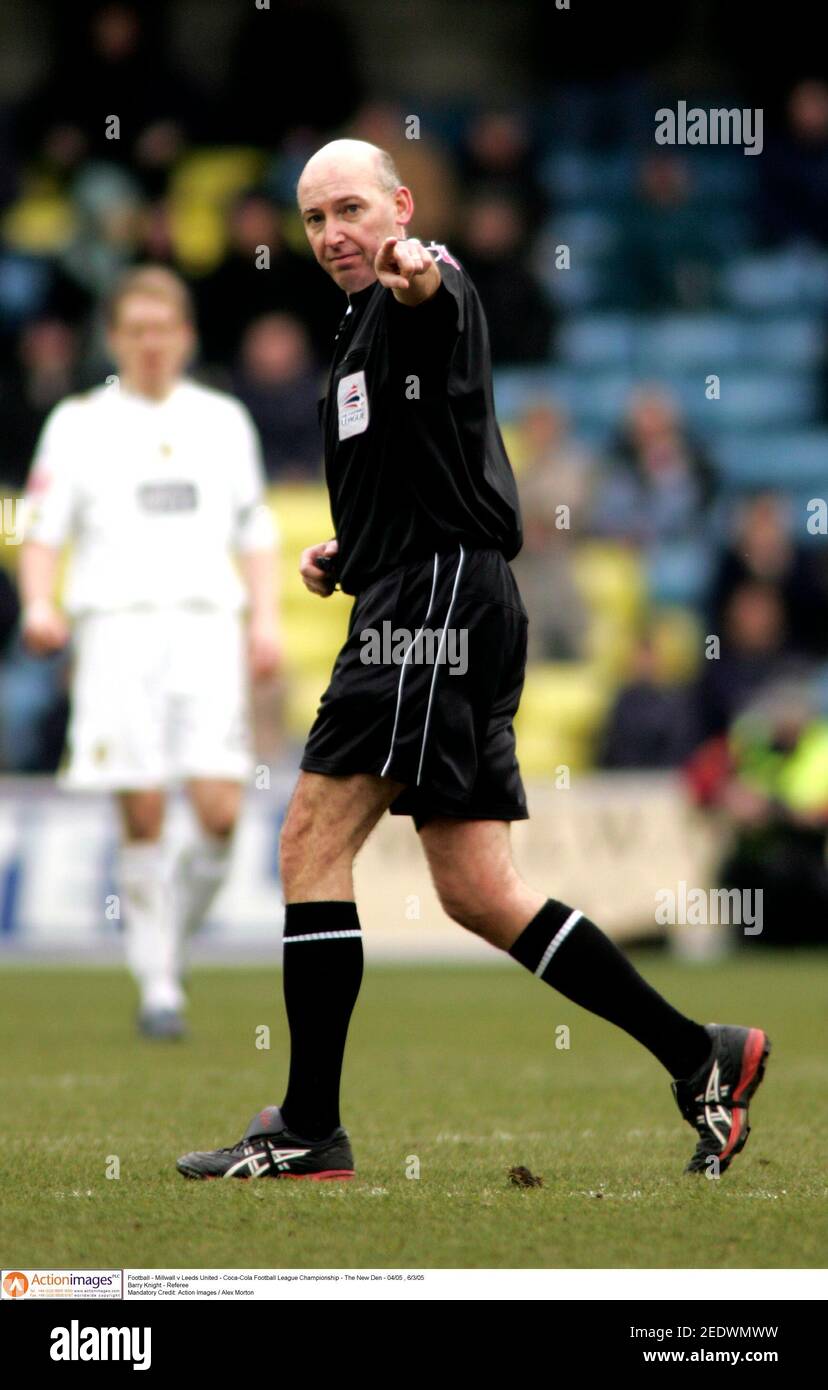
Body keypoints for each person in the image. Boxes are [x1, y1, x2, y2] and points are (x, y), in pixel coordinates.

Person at [177, 141, 769, 1182]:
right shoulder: (361, 321)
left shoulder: (423, 282)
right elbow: (421, 456)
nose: (332, 236)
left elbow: (433, 294)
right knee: (479, 888)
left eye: (352, 209)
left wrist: (414, 273)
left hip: (435, 603)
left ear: (399, 205)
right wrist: (347, 554)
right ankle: (702, 1054)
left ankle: (310, 1126)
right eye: (314, 220)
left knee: (311, 841)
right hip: (440, 592)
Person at [20, 265, 281, 1038]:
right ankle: (158, 984)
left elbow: (256, 531)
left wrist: (265, 621)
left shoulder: (224, 419)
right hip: (115, 629)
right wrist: (39, 602)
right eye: (135, 330)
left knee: (220, 812)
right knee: (139, 807)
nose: (150, 343)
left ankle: (170, 939)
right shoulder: (76, 422)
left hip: (205, 624)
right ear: (115, 338)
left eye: (163, 329)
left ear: (187, 336)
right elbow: (38, 527)